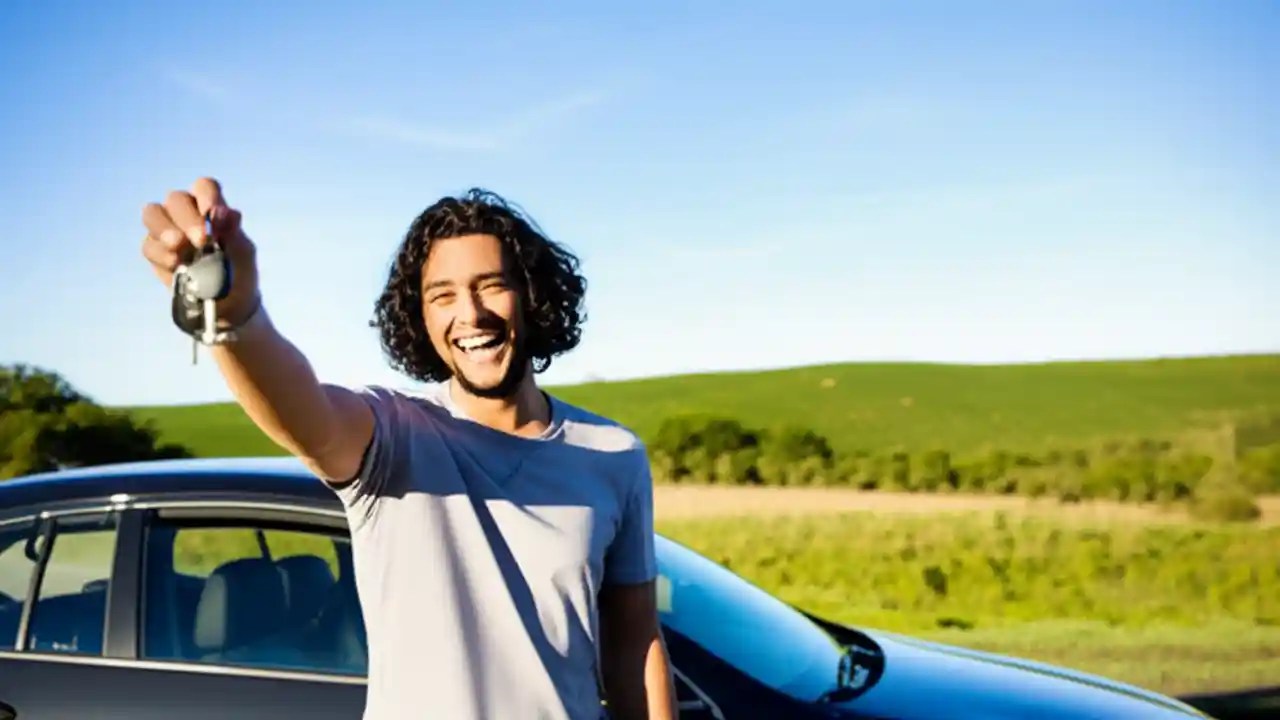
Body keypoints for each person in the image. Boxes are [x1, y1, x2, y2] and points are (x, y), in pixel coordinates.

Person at [139, 178, 678, 720]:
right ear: (419, 316)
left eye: (491, 285)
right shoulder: (393, 434)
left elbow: (635, 641)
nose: (470, 313)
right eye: (443, 295)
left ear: (531, 294)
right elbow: (304, 414)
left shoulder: (613, 453)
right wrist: (236, 318)